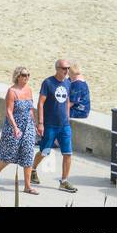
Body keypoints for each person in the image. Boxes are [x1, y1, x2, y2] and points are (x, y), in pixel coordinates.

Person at [0, 67, 39, 195]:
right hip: (14, 126)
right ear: (18, 76)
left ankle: (27, 186)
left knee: (28, 154)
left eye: (28, 75)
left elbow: (30, 109)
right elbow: (9, 111)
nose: (26, 77)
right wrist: (15, 127)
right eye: (24, 75)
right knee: (9, 155)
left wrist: (35, 125)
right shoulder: (11, 91)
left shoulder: (29, 90)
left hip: (28, 127)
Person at [31, 58, 77, 192]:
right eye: (64, 68)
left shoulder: (68, 83)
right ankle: (33, 169)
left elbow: (67, 100)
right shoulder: (48, 83)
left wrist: (67, 117)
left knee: (68, 153)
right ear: (57, 69)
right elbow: (40, 103)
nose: (66, 71)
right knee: (45, 151)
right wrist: (40, 123)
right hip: (50, 125)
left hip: (64, 126)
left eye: (68, 68)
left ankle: (64, 181)